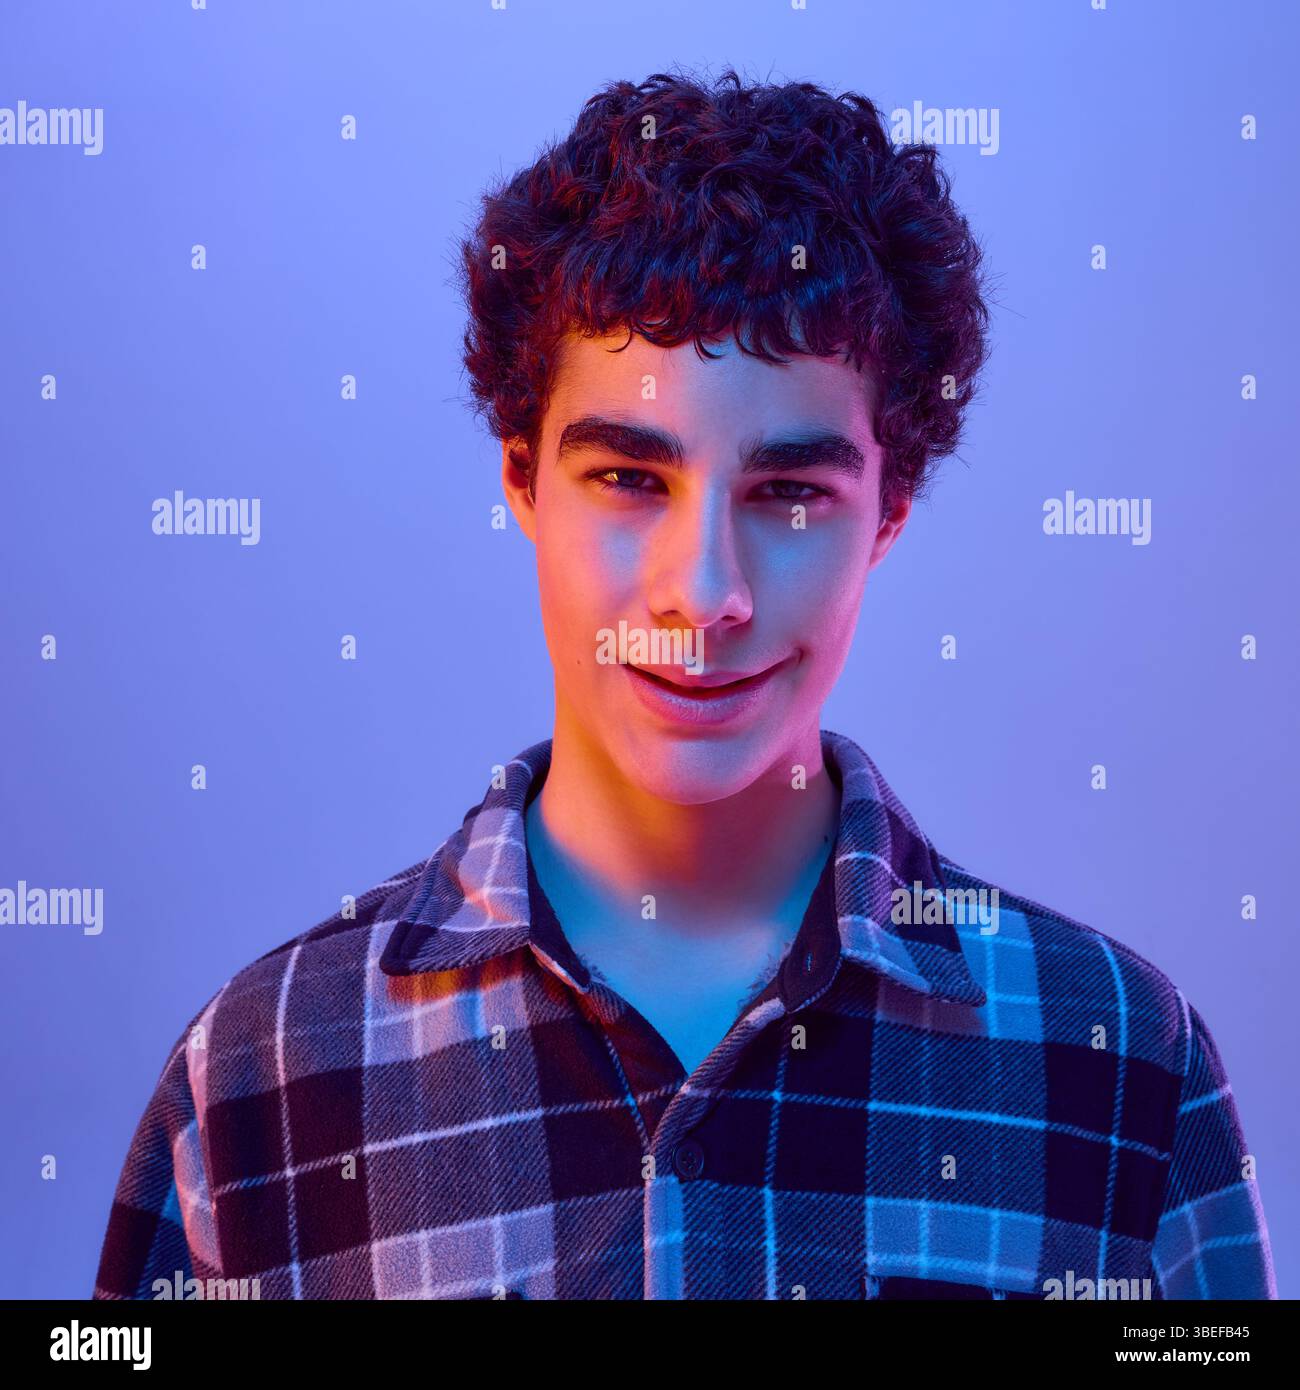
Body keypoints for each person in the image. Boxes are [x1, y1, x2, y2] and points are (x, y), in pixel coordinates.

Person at [94, 68, 1274, 1301]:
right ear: (522, 481)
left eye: (788, 494)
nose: (704, 592)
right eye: (628, 480)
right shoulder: (258, 1077)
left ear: (888, 514)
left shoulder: (1125, 1064)